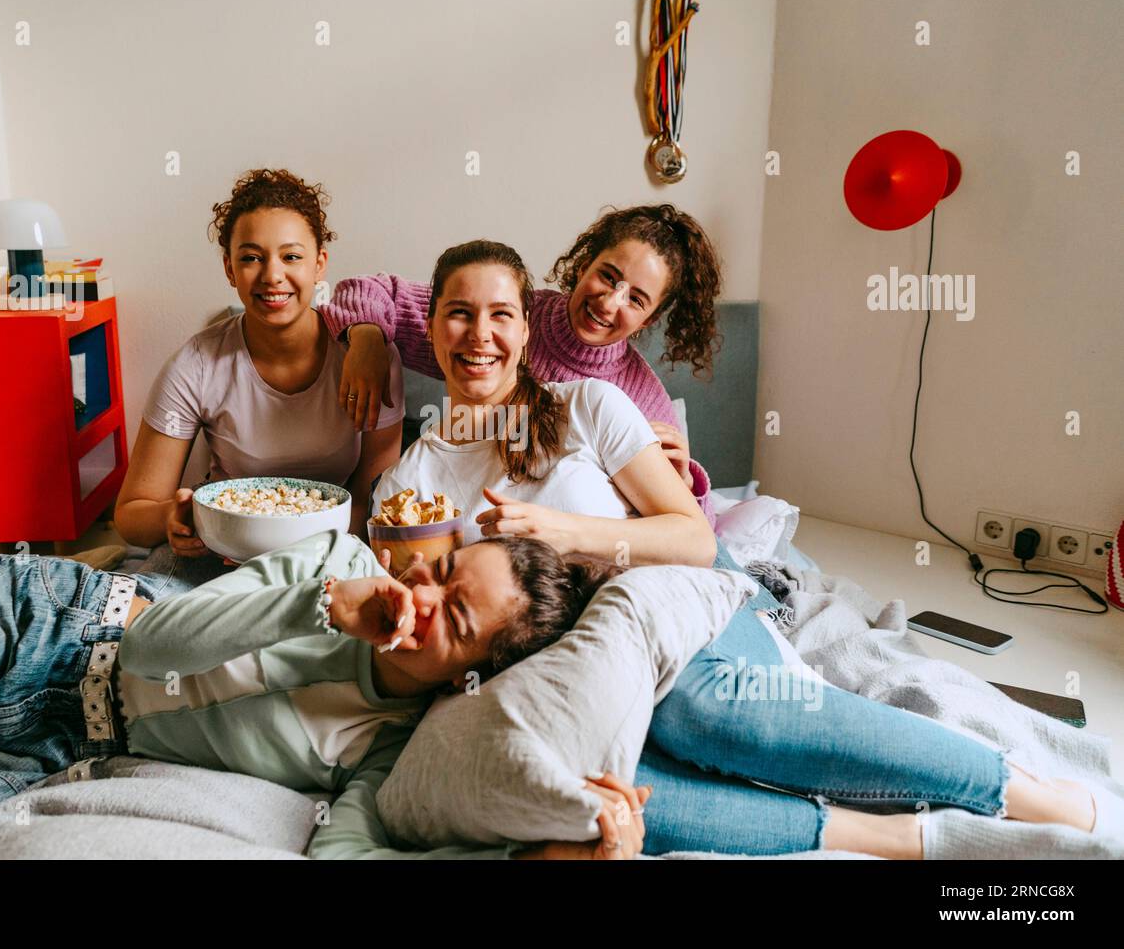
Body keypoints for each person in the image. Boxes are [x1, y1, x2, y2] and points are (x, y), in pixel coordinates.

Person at [362, 238, 1110, 858]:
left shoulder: (586, 406)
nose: (480, 336)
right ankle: (904, 838)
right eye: (459, 315)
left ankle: (1022, 791)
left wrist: (568, 534)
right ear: (430, 327)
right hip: (565, 655)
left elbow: (689, 534)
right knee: (599, 786)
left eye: (501, 315)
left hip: (668, 590)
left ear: (528, 329)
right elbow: (417, 634)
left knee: (695, 710)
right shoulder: (410, 485)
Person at [0, 530, 646, 860]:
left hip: (40, 742)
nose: (419, 591)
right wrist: (321, 606)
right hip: (33, 622)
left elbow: (345, 857)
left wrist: (530, 858)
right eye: (441, 567)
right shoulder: (338, 559)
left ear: (472, 679)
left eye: (454, 617)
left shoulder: (382, 747)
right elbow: (152, 645)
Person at [323, 203, 721, 530]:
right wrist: (367, 338)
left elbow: (694, 538)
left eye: (636, 299)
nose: (609, 303)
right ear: (584, 264)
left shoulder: (630, 399)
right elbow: (369, 289)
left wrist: (684, 484)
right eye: (608, 276)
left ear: (648, 320)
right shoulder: (494, 316)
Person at [113, 168, 405, 593]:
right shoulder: (196, 364)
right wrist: (173, 517)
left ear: (319, 264)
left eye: (291, 257)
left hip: (331, 548)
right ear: (230, 268)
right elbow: (130, 515)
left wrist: (305, 561)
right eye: (251, 258)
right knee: (144, 609)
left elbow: (371, 500)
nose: (272, 275)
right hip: (219, 546)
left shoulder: (368, 358)